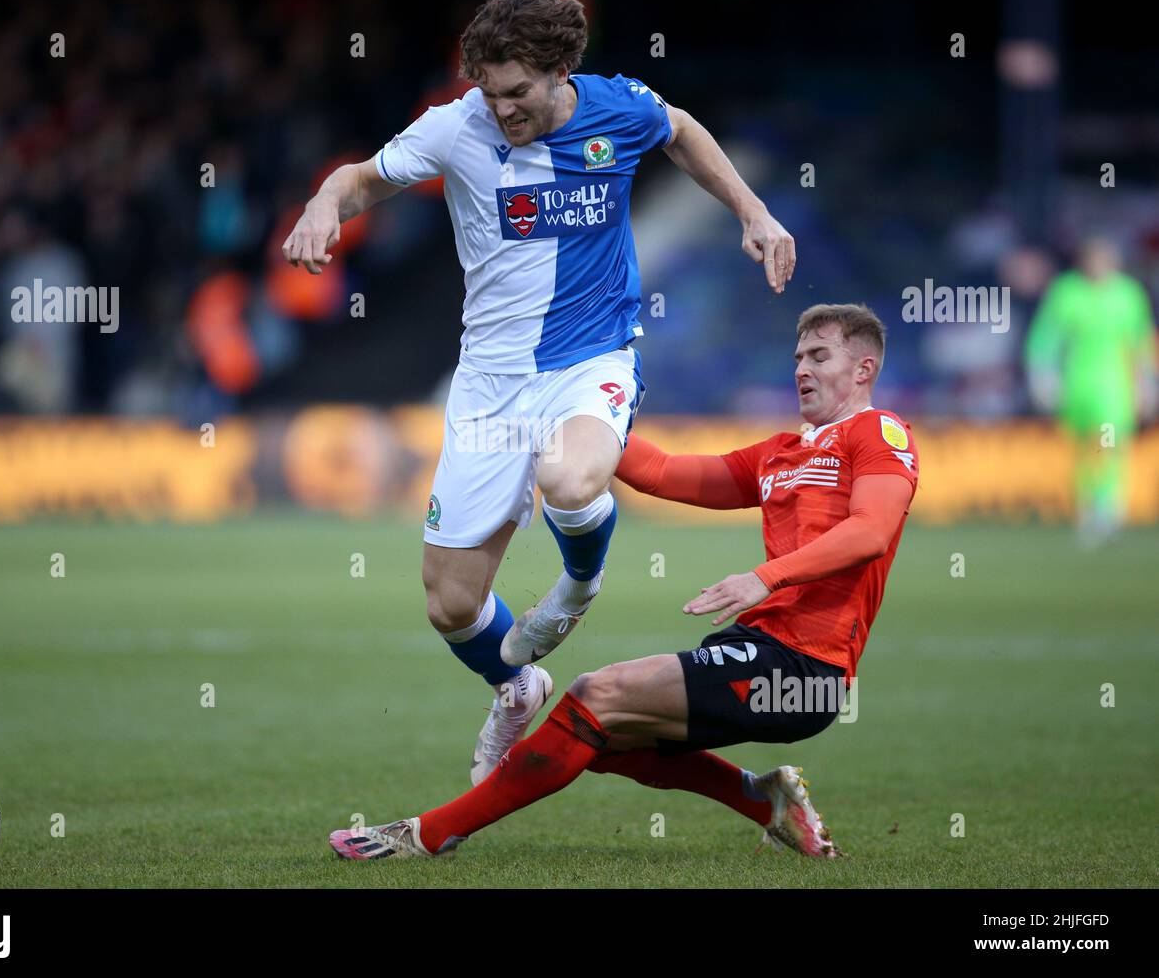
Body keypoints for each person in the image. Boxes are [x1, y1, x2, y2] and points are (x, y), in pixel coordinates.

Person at [284, 0, 795, 782]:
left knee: (570, 476)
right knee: (451, 604)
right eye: (490, 92)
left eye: (517, 92)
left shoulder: (620, 108)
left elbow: (683, 132)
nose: (502, 109)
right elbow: (359, 179)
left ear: (563, 72)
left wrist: (752, 212)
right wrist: (323, 207)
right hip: (489, 381)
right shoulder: (457, 127)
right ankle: (517, 684)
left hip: (590, 361)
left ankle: (576, 587)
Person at [328, 304, 920, 860]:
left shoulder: (880, 435)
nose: (801, 369)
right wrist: (570, 417)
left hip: (806, 673)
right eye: (797, 357)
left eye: (819, 356)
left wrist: (764, 577)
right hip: (755, 647)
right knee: (601, 742)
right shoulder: (780, 452)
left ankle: (426, 834)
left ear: (864, 367)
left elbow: (870, 531)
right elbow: (660, 473)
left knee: (595, 695)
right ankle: (760, 798)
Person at [1025, 236, 1158, 546]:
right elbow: (1045, 337)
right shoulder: (1067, 292)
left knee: (1110, 443)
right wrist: (1042, 376)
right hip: (1077, 384)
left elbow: (1142, 342)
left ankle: (1108, 506)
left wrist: (1148, 382)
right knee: (1085, 447)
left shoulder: (1128, 294)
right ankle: (1087, 507)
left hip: (1115, 386)